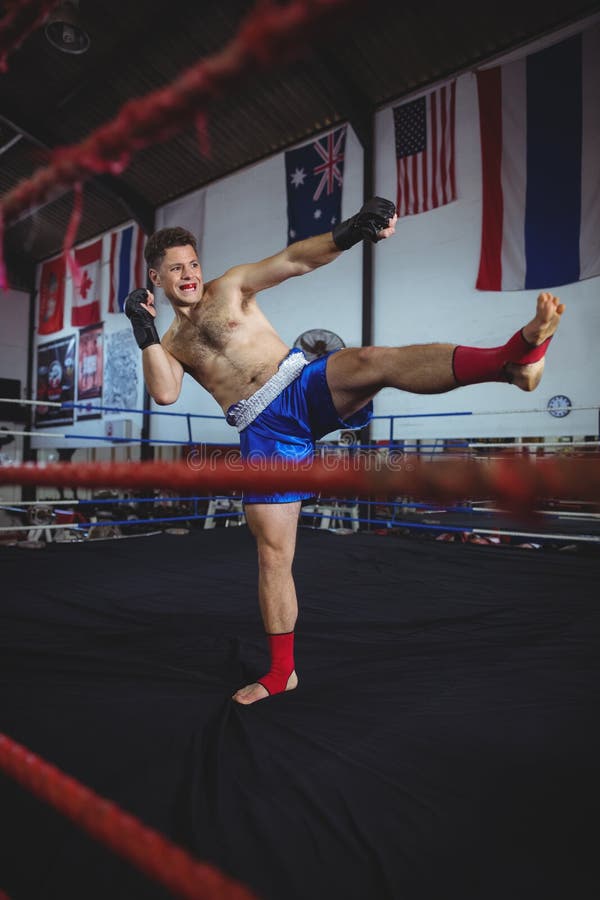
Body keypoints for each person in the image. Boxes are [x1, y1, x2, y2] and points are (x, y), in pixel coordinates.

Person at [124, 197, 564, 705]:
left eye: (193, 263)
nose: (190, 274)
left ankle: (511, 363)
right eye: (176, 268)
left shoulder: (231, 287)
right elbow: (164, 392)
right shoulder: (173, 342)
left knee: (371, 360)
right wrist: (144, 330)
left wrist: (351, 231)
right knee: (273, 557)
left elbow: (295, 259)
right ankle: (281, 672)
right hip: (262, 432)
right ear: (156, 277)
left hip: (301, 383)